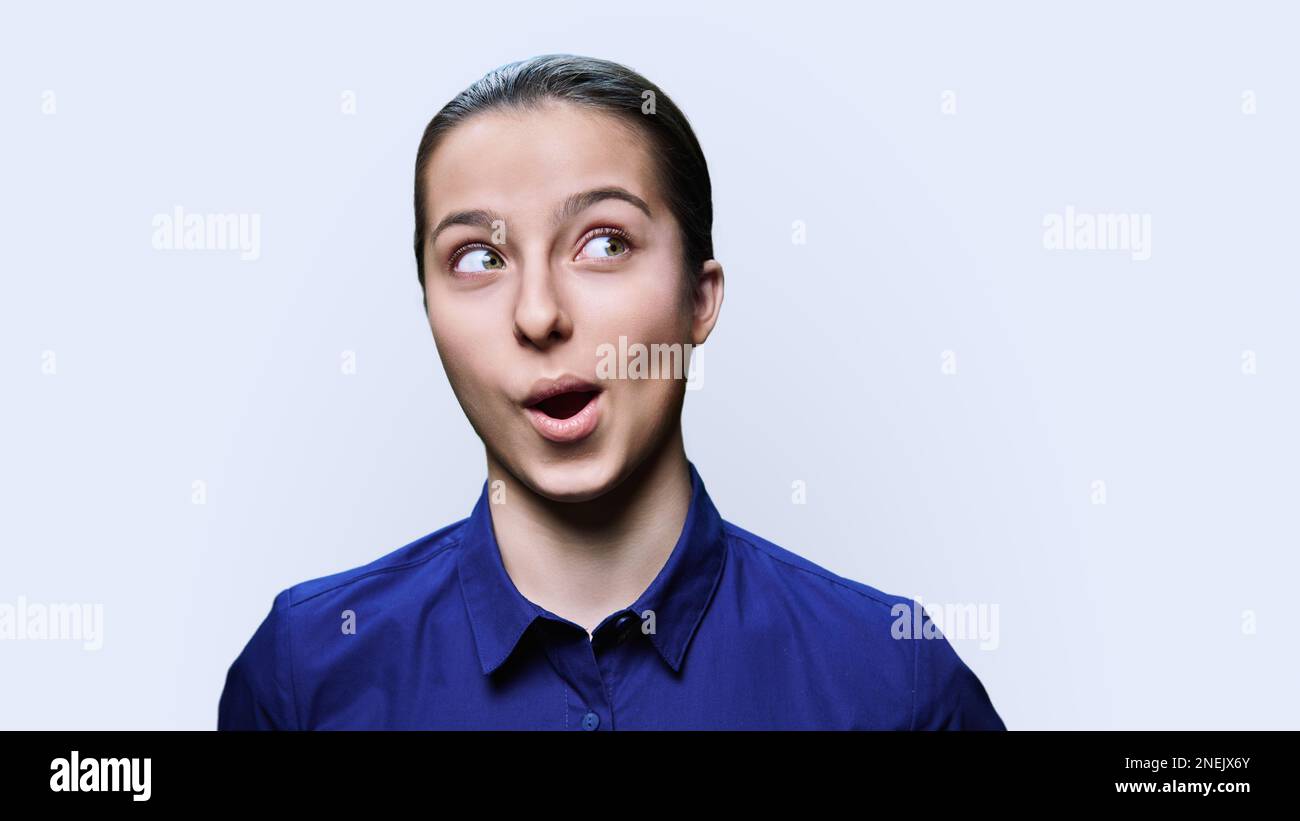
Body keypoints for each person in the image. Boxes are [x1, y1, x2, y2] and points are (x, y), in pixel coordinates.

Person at [218, 53, 1006, 730]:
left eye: (604, 243)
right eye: (477, 259)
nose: (537, 314)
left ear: (700, 299)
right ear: (428, 309)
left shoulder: (892, 680)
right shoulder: (305, 672)